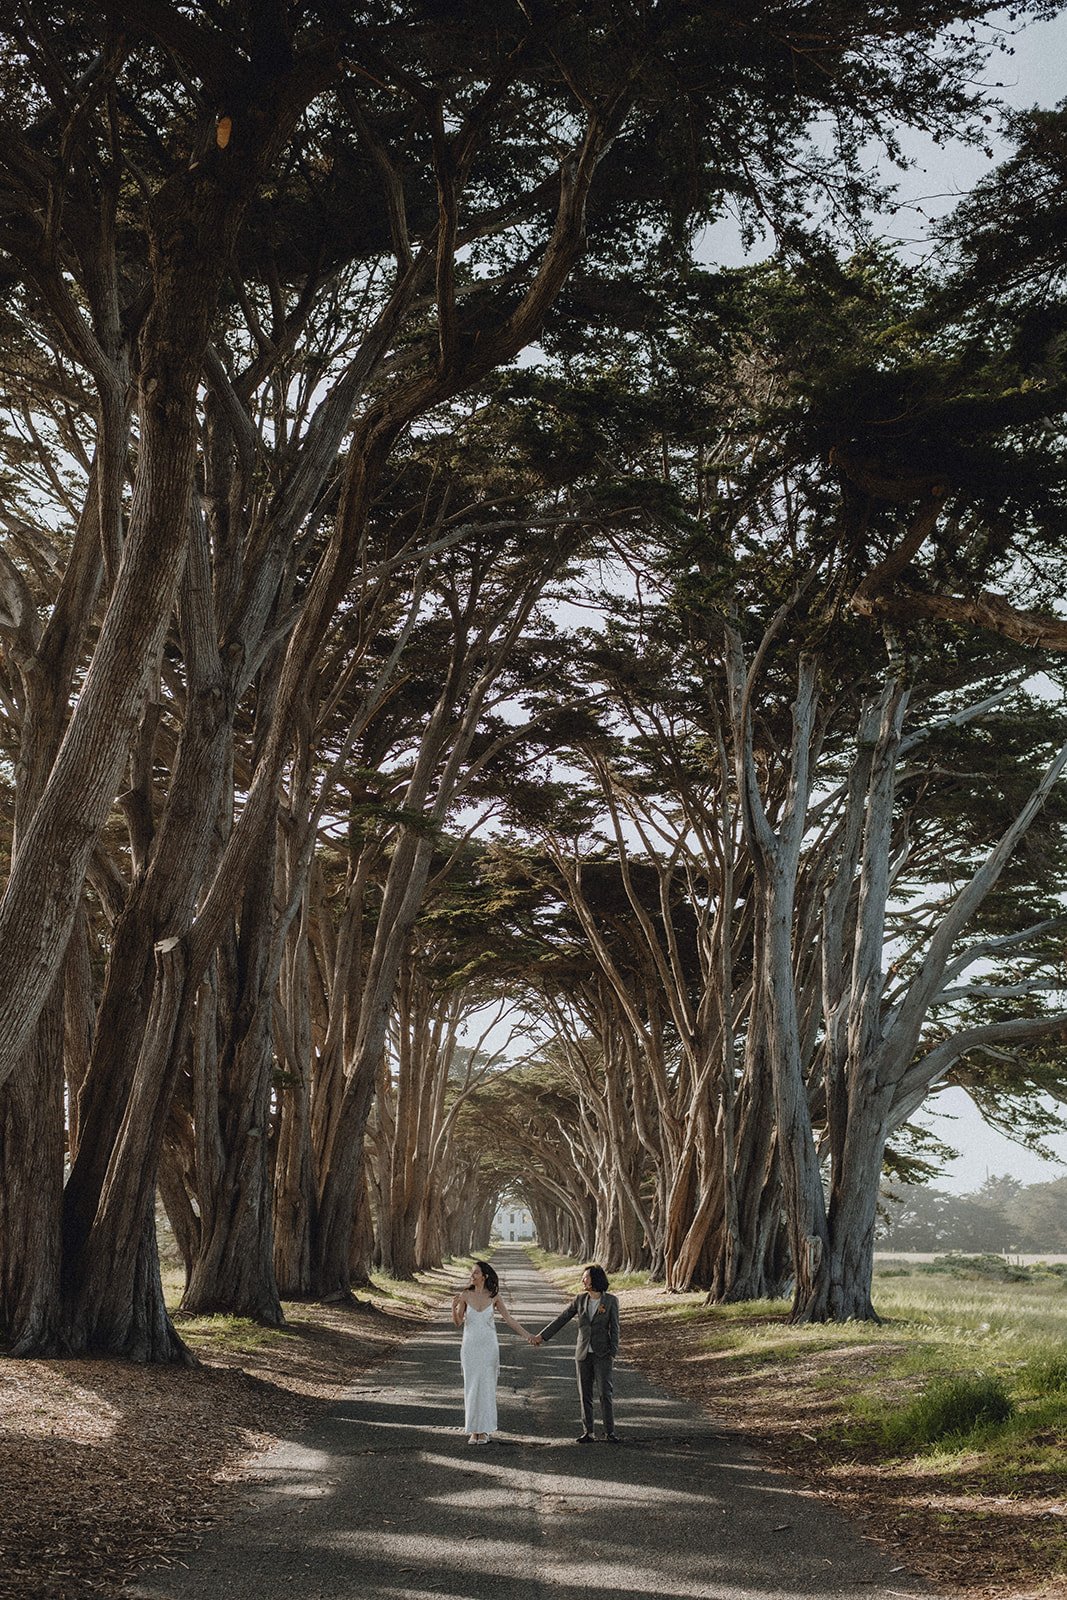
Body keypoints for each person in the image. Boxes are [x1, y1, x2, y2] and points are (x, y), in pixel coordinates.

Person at [532, 1263, 620, 1443]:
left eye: (586, 1277)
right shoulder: (580, 1300)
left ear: (595, 1278)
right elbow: (562, 1319)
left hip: (603, 1353)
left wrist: (613, 1351)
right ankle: (588, 1432)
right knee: (584, 1393)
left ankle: (609, 1432)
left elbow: (615, 1328)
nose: (583, 1280)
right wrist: (542, 1336)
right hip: (582, 1353)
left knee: (605, 1392)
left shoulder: (610, 1301)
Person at [451, 1260, 534, 1444]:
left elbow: (509, 1319)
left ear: (484, 1276)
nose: (472, 1276)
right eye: (472, 1273)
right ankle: (474, 1430)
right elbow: (457, 1322)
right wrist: (453, 1306)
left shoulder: (494, 1296)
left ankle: (485, 1430)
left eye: (475, 1273)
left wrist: (528, 1336)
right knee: (472, 1386)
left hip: (489, 1347)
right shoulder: (465, 1295)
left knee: (487, 1387)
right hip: (470, 1347)